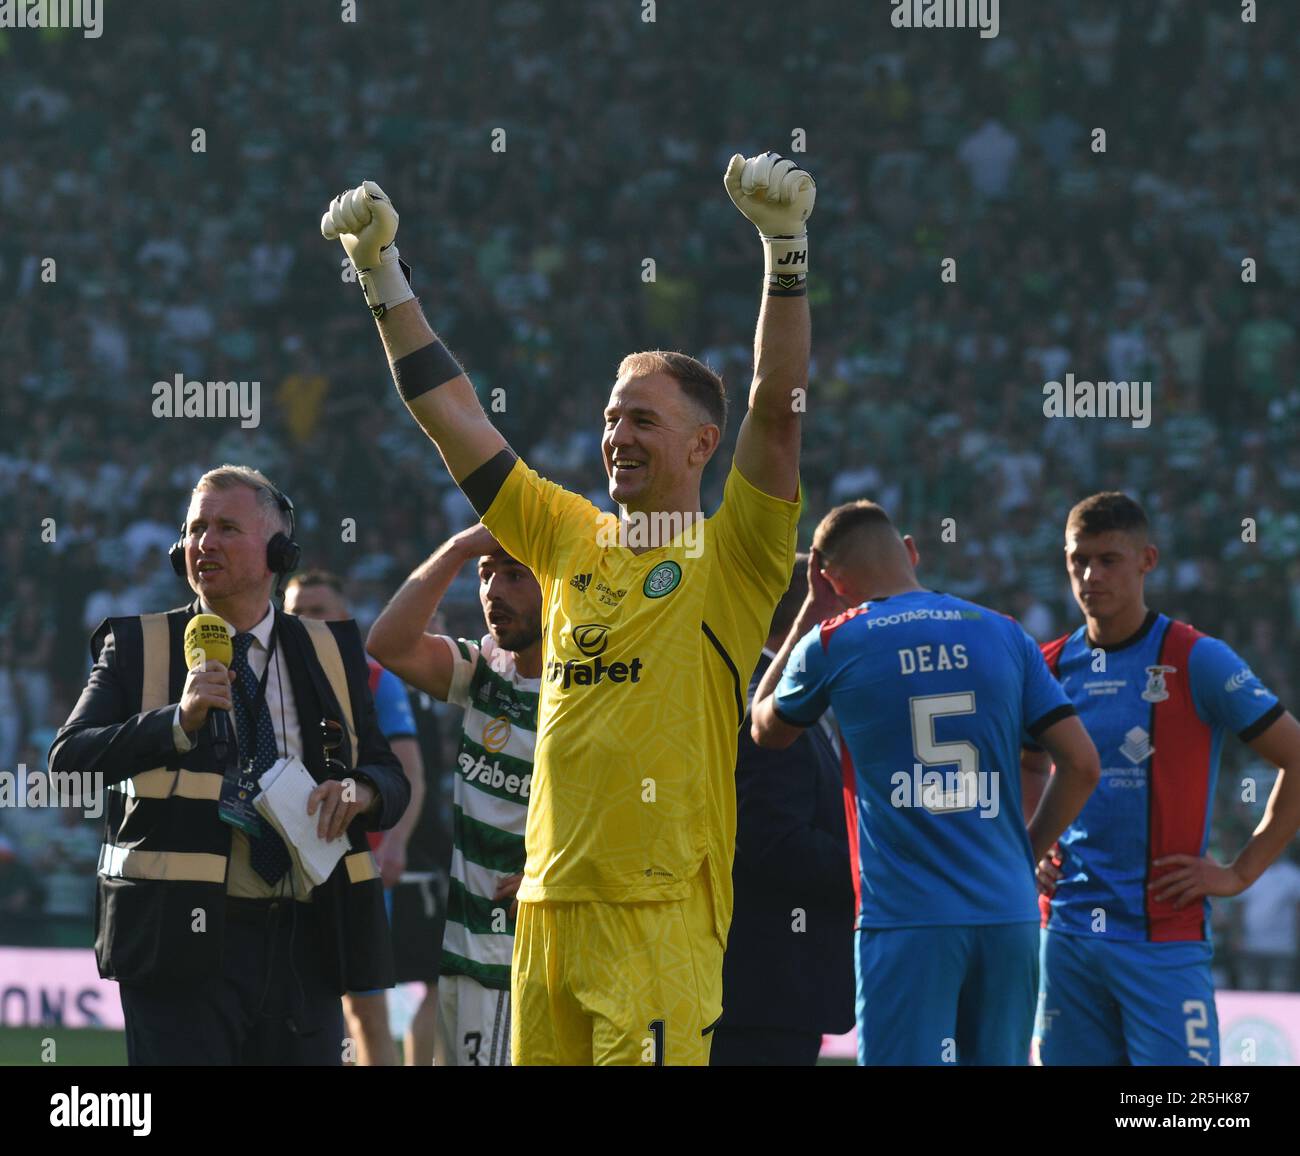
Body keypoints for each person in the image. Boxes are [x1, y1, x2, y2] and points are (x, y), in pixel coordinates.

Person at [321, 149, 812, 1065]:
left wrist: (784, 255)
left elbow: (777, 413)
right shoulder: (565, 533)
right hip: (545, 907)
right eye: (613, 417)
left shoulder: (732, 557)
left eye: (644, 421)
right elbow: (454, 418)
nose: (617, 436)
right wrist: (384, 279)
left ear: (705, 443)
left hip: (659, 913)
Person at [49, 465, 410, 1065]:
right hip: (176, 951)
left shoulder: (330, 648)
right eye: (194, 530)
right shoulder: (135, 645)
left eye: (225, 528)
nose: (204, 544)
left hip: (304, 944)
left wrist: (363, 792)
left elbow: (387, 772)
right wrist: (176, 721)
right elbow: (69, 759)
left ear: (278, 552)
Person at [751, 502, 1100, 1066]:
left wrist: (807, 617)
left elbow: (763, 728)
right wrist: (1023, 855)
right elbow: (1082, 766)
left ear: (824, 575)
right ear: (911, 551)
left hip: (907, 919)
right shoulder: (1006, 634)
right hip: (1007, 917)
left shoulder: (835, 641)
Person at [1027, 491, 1300, 1065]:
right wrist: (1034, 840)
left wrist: (1239, 873)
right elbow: (1027, 762)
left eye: (1108, 559)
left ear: (1147, 560)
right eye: (1078, 559)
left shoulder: (1198, 658)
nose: (1090, 574)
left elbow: (1296, 757)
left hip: (1163, 941)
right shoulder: (1047, 665)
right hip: (1067, 939)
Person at [368, 523, 542, 1066]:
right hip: (466, 951)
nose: (493, 591)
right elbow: (387, 644)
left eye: (515, 576)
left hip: (534, 957)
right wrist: (463, 547)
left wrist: (557, 868)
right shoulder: (485, 670)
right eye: (486, 577)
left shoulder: (591, 690)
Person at [711, 554, 855, 1067]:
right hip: (763, 996)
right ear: (824, 609)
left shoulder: (779, 698)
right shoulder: (762, 709)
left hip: (771, 995)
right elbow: (774, 844)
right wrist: (868, 870)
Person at [284, 569, 426, 1067]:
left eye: (318, 611)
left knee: (364, 1007)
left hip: (350, 867)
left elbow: (409, 772)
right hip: (276, 869)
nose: (305, 620)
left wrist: (396, 843)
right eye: (296, 610)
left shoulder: (373, 679)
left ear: (344, 620)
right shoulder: (259, 671)